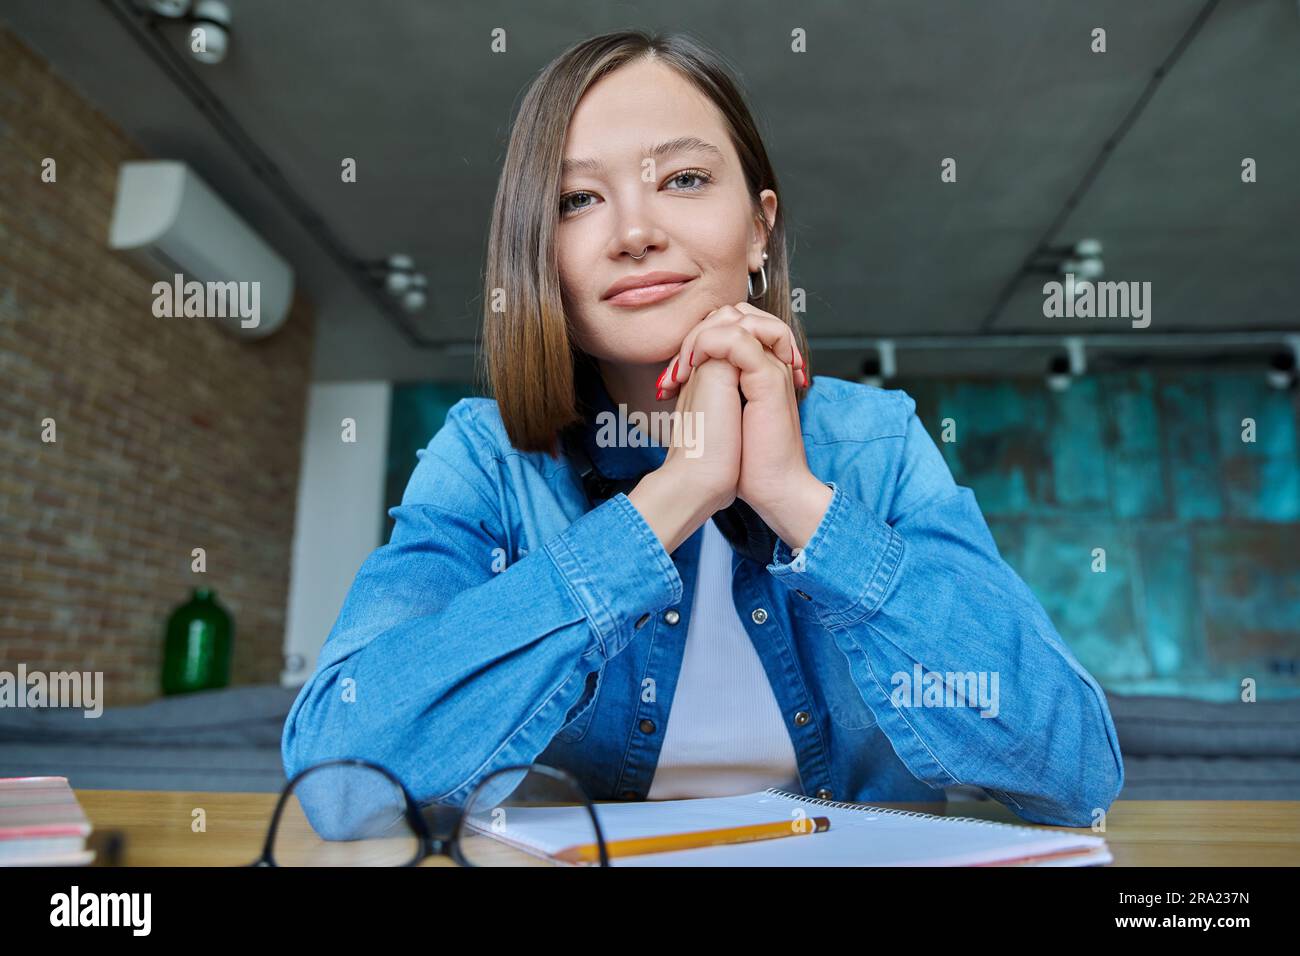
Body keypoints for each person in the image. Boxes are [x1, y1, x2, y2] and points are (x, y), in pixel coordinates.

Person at [281, 30, 1124, 828]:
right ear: (540, 257)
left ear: (760, 228)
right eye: (578, 200)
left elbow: (1074, 773)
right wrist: (672, 499)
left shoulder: (876, 442)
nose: (636, 232)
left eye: (682, 179)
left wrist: (798, 502)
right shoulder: (487, 457)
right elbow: (344, 783)